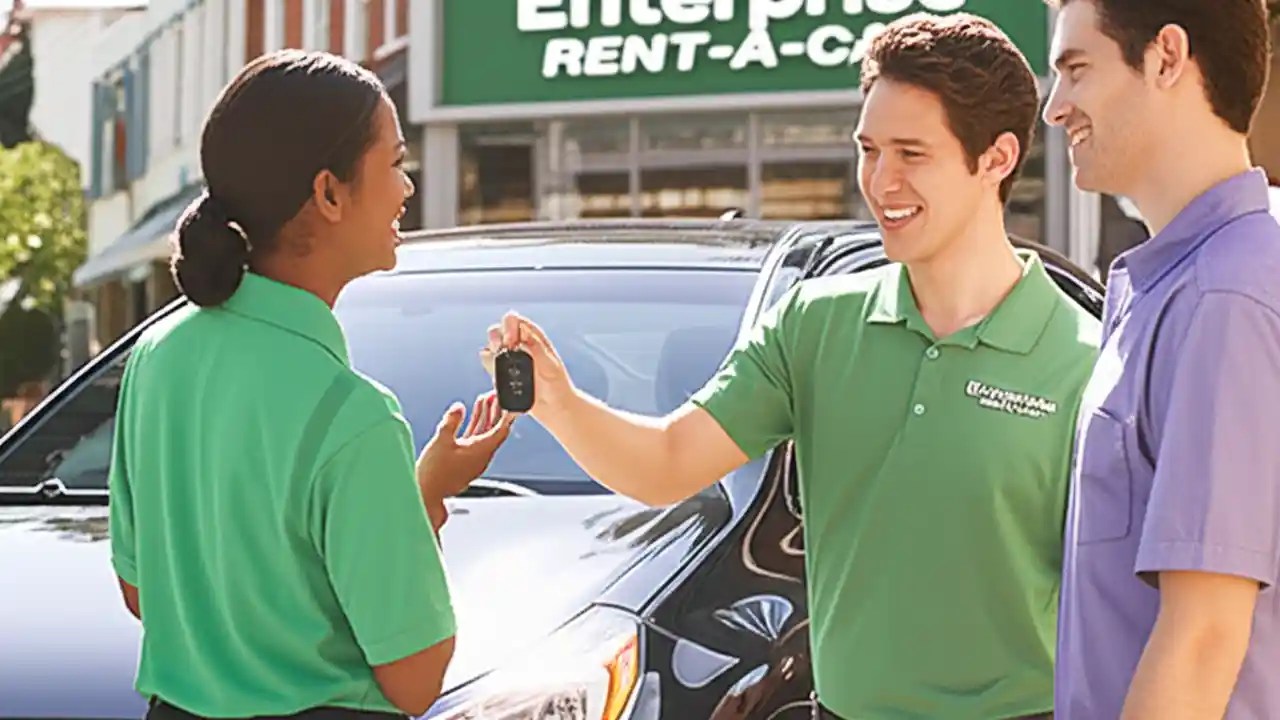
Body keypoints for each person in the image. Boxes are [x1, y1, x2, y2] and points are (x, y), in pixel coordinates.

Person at [486, 13, 1100, 720]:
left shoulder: (1083, 361)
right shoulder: (815, 324)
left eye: (911, 153)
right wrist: (558, 399)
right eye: (868, 149)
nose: (881, 181)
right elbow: (666, 463)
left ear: (995, 159)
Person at [107, 49, 511, 720]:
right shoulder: (354, 416)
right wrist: (422, 502)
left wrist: (416, 492)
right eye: (395, 164)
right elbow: (414, 680)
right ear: (329, 193)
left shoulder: (154, 356)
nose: (407, 189)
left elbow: (142, 591)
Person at [1043, 1, 1280, 718]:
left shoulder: (1225, 295)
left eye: (1077, 69)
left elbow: (1203, 638)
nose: (1055, 108)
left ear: (1166, 57)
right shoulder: (1182, 282)